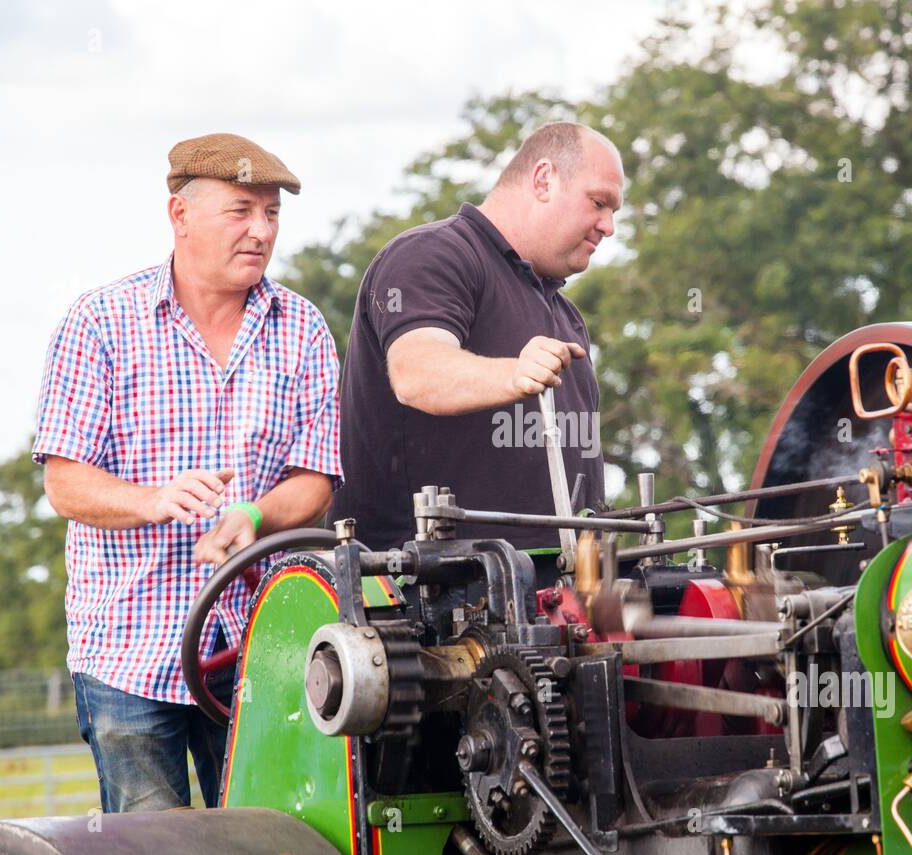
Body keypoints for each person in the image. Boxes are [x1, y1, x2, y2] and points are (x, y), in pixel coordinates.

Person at [32, 133, 342, 812]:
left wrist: (256, 516)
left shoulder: (304, 330)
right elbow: (64, 483)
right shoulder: (101, 323)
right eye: (240, 211)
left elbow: (315, 482)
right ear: (179, 215)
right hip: (127, 651)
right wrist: (153, 500)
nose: (260, 231)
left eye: (271, 214)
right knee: (152, 850)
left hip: (260, 650)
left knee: (268, 845)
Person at [329, 122, 624, 550]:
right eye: (599, 202)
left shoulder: (566, 315)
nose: (608, 226)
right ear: (544, 180)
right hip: (414, 594)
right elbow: (417, 373)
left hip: (551, 595)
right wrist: (514, 375)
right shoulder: (431, 254)